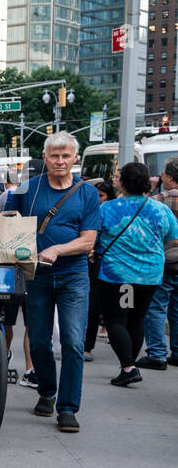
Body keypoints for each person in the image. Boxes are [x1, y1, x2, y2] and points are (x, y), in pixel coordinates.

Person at [6, 132, 100, 433]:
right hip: (37, 276)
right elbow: (3, 216)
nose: (60, 161)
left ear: (75, 158)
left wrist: (57, 249)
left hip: (73, 276)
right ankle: (47, 391)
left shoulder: (86, 193)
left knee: (73, 342)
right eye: (54, 155)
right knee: (39, 341)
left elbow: (88, 241)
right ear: (44, 158)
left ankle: (68, 407)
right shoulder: (28, 188)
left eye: (65, 155)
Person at [96, 162, 178, 386]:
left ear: (122, 183)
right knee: (136, 318)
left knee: (116, 320)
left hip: (118, 276)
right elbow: (173, 236)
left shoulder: (108, 208)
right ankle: (127, 363)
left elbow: (94, 238)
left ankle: (128, 366)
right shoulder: (160, 209)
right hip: (150, 275)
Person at [141, 157, 178, 367]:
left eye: (164, 173)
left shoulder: (159, 200)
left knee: (156, 307)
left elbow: (142, 217)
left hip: (163, 260)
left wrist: (151, 188)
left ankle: (156, 353)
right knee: (177, 309)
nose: (161, 176)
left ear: (170, 177)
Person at [84, 181, 116, 364]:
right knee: (92, 307)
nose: (97, 200)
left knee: (111, 308)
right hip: (97, 265)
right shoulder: (93, 210)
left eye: (101, 196)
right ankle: (87, 347)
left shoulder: (107, 211)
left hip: (111, 267)